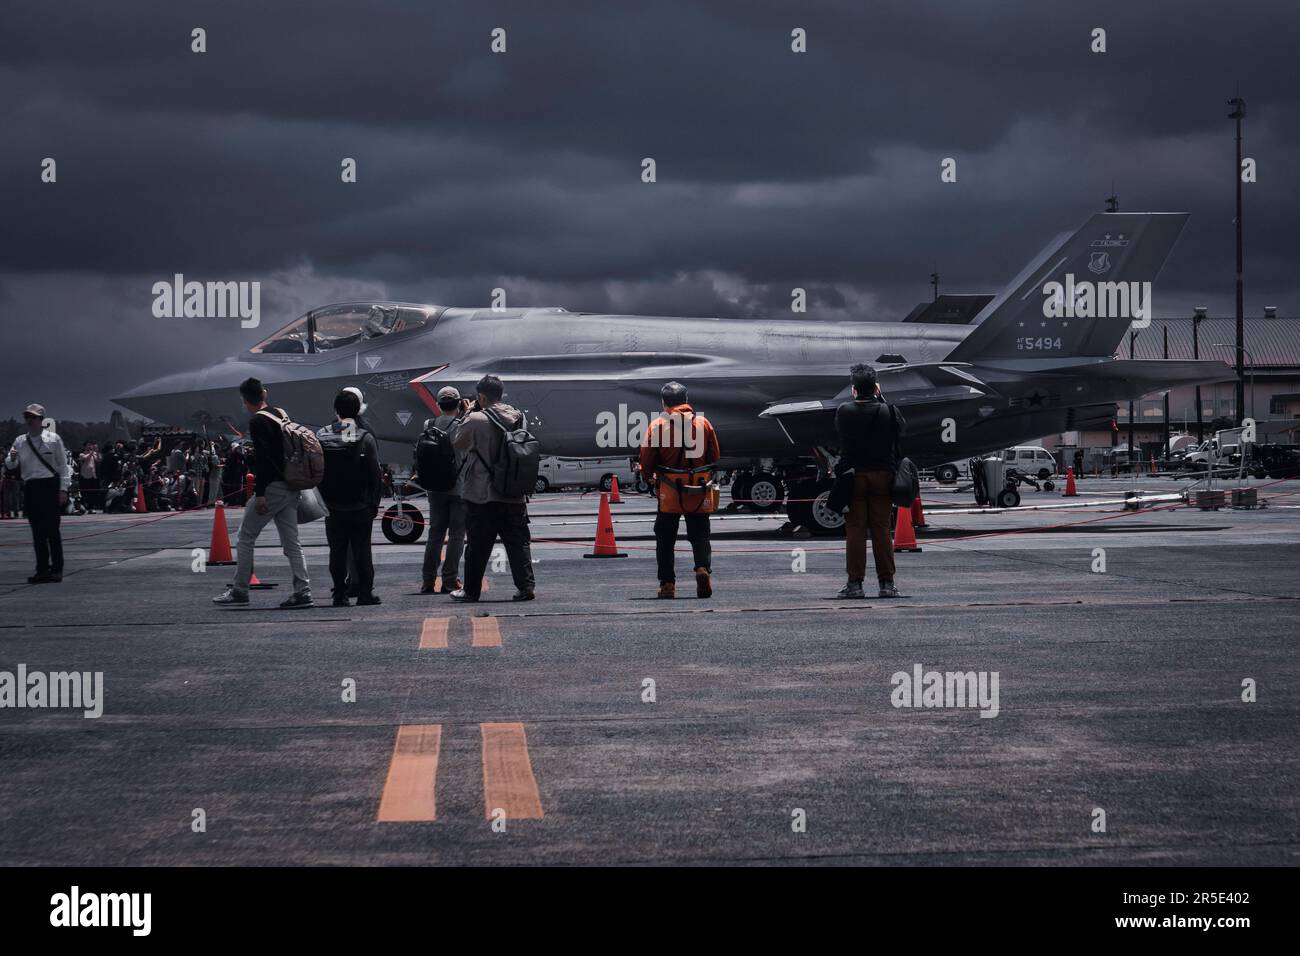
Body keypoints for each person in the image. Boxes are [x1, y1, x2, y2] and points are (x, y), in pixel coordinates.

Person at [212, 378, 313, 608]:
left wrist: (260, 494)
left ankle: (240, 590)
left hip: (273, 487)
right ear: (264, 393)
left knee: (244, 537)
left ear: (245, 401)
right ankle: (303, 591)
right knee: (292, 543)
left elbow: (264, 462)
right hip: (291, 485)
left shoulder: (257, 422)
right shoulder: (280, 413)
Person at [449, 375, 535, 602]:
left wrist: (467, 413)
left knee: (477, 547)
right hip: (513, 492)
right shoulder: (518, 417)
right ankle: (525, 588)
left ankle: (471, 591)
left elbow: (456, 442)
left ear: (482, 396)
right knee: (518, 544)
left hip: (482, 494)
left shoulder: (475, 419)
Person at [639, 381, 720, 599]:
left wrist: (647, 477)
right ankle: (702, 569)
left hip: (670, 490)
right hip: (699, 488)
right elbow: (715, 456)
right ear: (686, 401)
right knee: (700, 534)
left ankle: (667, 585)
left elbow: (647, 459)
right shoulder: (703, 423)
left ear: (663, 403)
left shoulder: (657, 426)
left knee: (665, 538)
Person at [834, 363, 904, 599]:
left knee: (855, 531)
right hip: (883, 475)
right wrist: (881, 398)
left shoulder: (844, 411)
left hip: (854, 477)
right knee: (882, 530)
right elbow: (900, 431)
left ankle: (855, 584)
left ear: (854, 389)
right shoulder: (889, 411)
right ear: (875, 388)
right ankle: (887, 583)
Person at [317, 389, 382, 607]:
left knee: (337, 552)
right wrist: (374, 502)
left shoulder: (322, 434)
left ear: (335, 409)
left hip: (332, 505)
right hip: (360, 505)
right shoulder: (365, 436)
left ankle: (339, 594)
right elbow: (375, 474)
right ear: (357, 410)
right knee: (362, 550)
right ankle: (365, 593)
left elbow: (317, 471)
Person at [5, 404, 71, 583]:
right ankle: (41, 569)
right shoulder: (20, 441)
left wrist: (63, 489)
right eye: (27, 417)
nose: (29, 420)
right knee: (37, 531)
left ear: (41, 420)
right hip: (31, 486)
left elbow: (63, 467)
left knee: (52, 530)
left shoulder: (53, 439)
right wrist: (11, 458)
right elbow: (11, 465)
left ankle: (57, 569)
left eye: (33, 417)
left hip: (49, 484)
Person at [419, 386, 468, 594]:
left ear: (438, 405)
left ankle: (428, 580)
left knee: (435, 534)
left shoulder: (428, 424)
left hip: (435, 488)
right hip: (458, 487)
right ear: (458, 404)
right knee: (457, 534)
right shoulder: (462, 425)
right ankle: (449, 579)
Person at [78, 441, 101, 513]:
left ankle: (91, 508)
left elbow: (98, 459)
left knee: (92, 493)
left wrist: (96, 452)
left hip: (92, 476)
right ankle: (83, 507)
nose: (89, 447)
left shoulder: (93, 454)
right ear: (84, 447)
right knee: (85, 493)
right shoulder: (82, 454)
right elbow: (85, 458)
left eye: (90, 446)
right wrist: (91, 453)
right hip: (85, 476)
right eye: (88, 445)